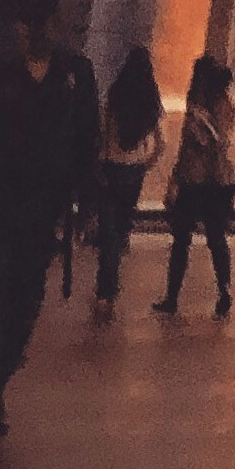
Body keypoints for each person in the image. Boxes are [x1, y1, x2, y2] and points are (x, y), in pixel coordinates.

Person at [0, 0, 99, 447]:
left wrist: (88, 204)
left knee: (24, 309)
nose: (34, 31)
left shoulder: (76, 74)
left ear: (53, 23)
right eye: (26, 23)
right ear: (16, 28)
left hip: (43, 211)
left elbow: (87, 140)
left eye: (42, 22)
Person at [154, 54, 235, 316]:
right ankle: (221, 290)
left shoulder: (206, 108)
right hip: (214, 181)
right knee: (212, 239)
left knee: (187, 240)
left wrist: (175, 180)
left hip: (201, 181)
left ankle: (178, 296)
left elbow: (201, 145)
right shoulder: (220, 105)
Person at [89, 47, 163, 321]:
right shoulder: (150, 104)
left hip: (112, 169)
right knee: (120, 231)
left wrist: (101, 165)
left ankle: (104, 292)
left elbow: (104, 139)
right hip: (135, 172)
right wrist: (145, 163)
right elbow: (160, 145)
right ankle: (111, 286)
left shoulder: (115, 99)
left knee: (107, 233)